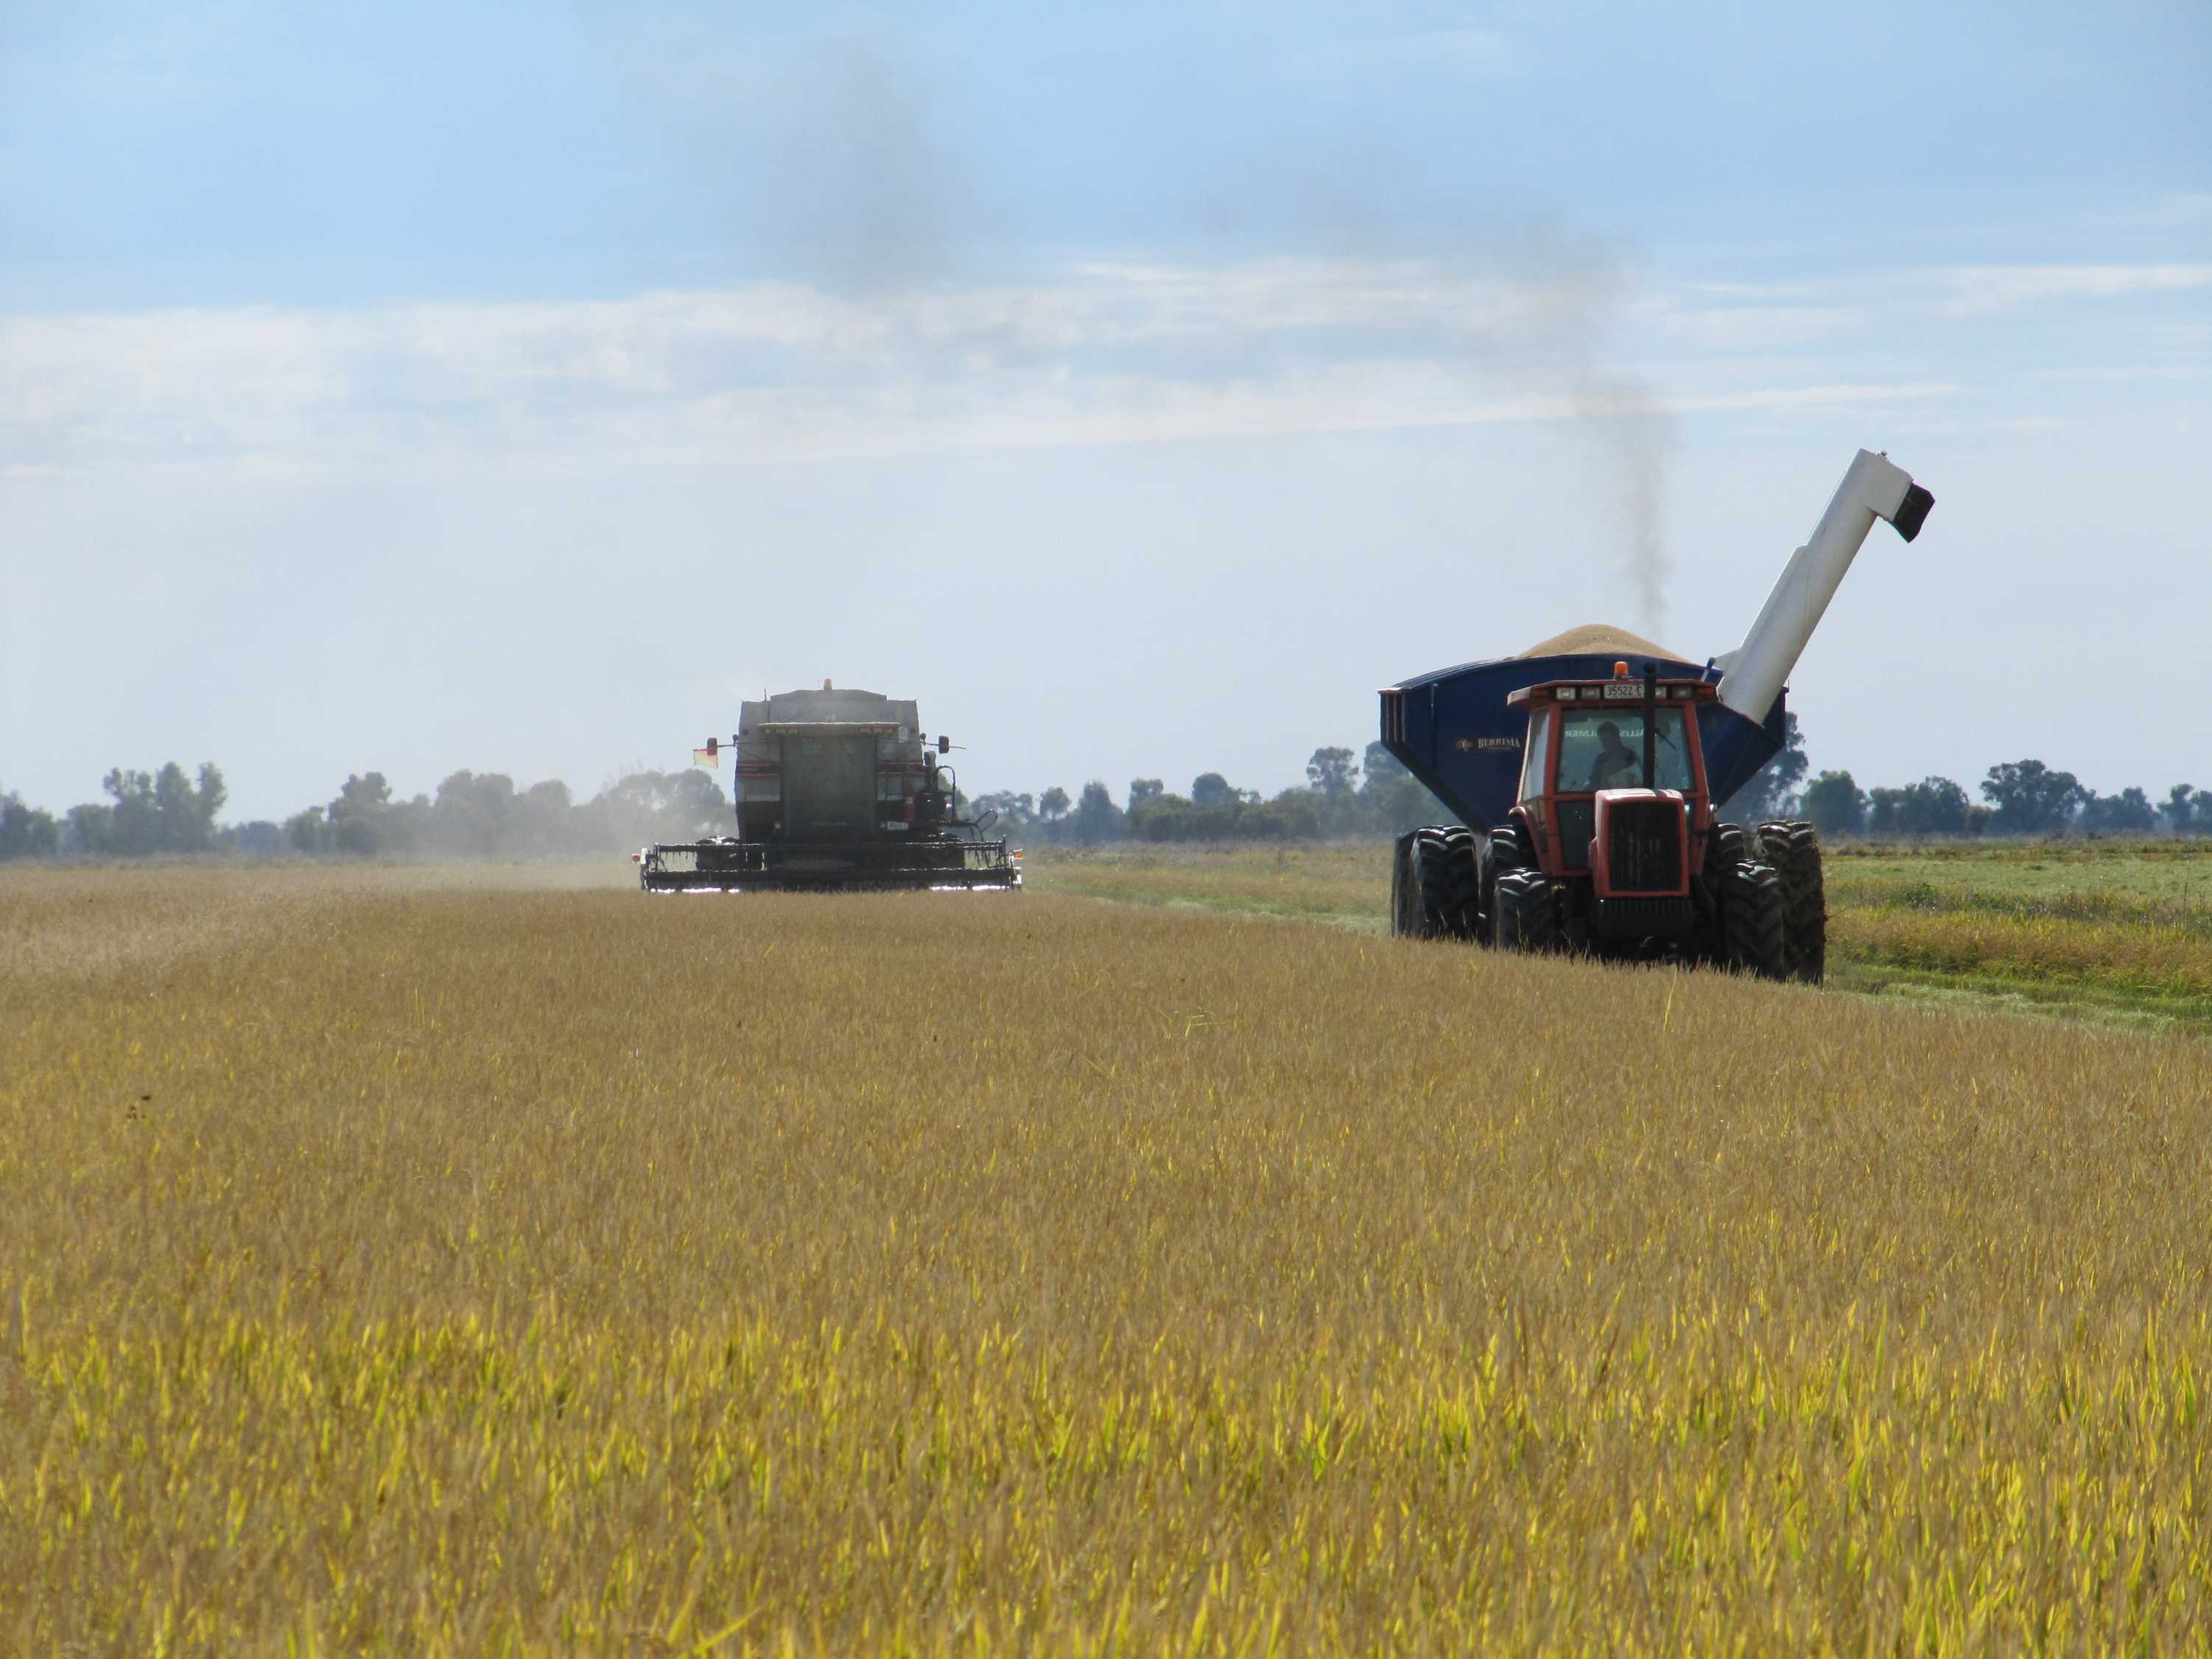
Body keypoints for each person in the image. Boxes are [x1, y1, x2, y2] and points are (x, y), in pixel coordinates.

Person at [1586, 720, 1641, 790]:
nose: (1604, 744)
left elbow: (1640, 784)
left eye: (1607, 740)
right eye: (1602, 741)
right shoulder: (1601, 759)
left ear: (1617, 738)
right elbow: (1594, 783)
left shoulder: (1631, 758)